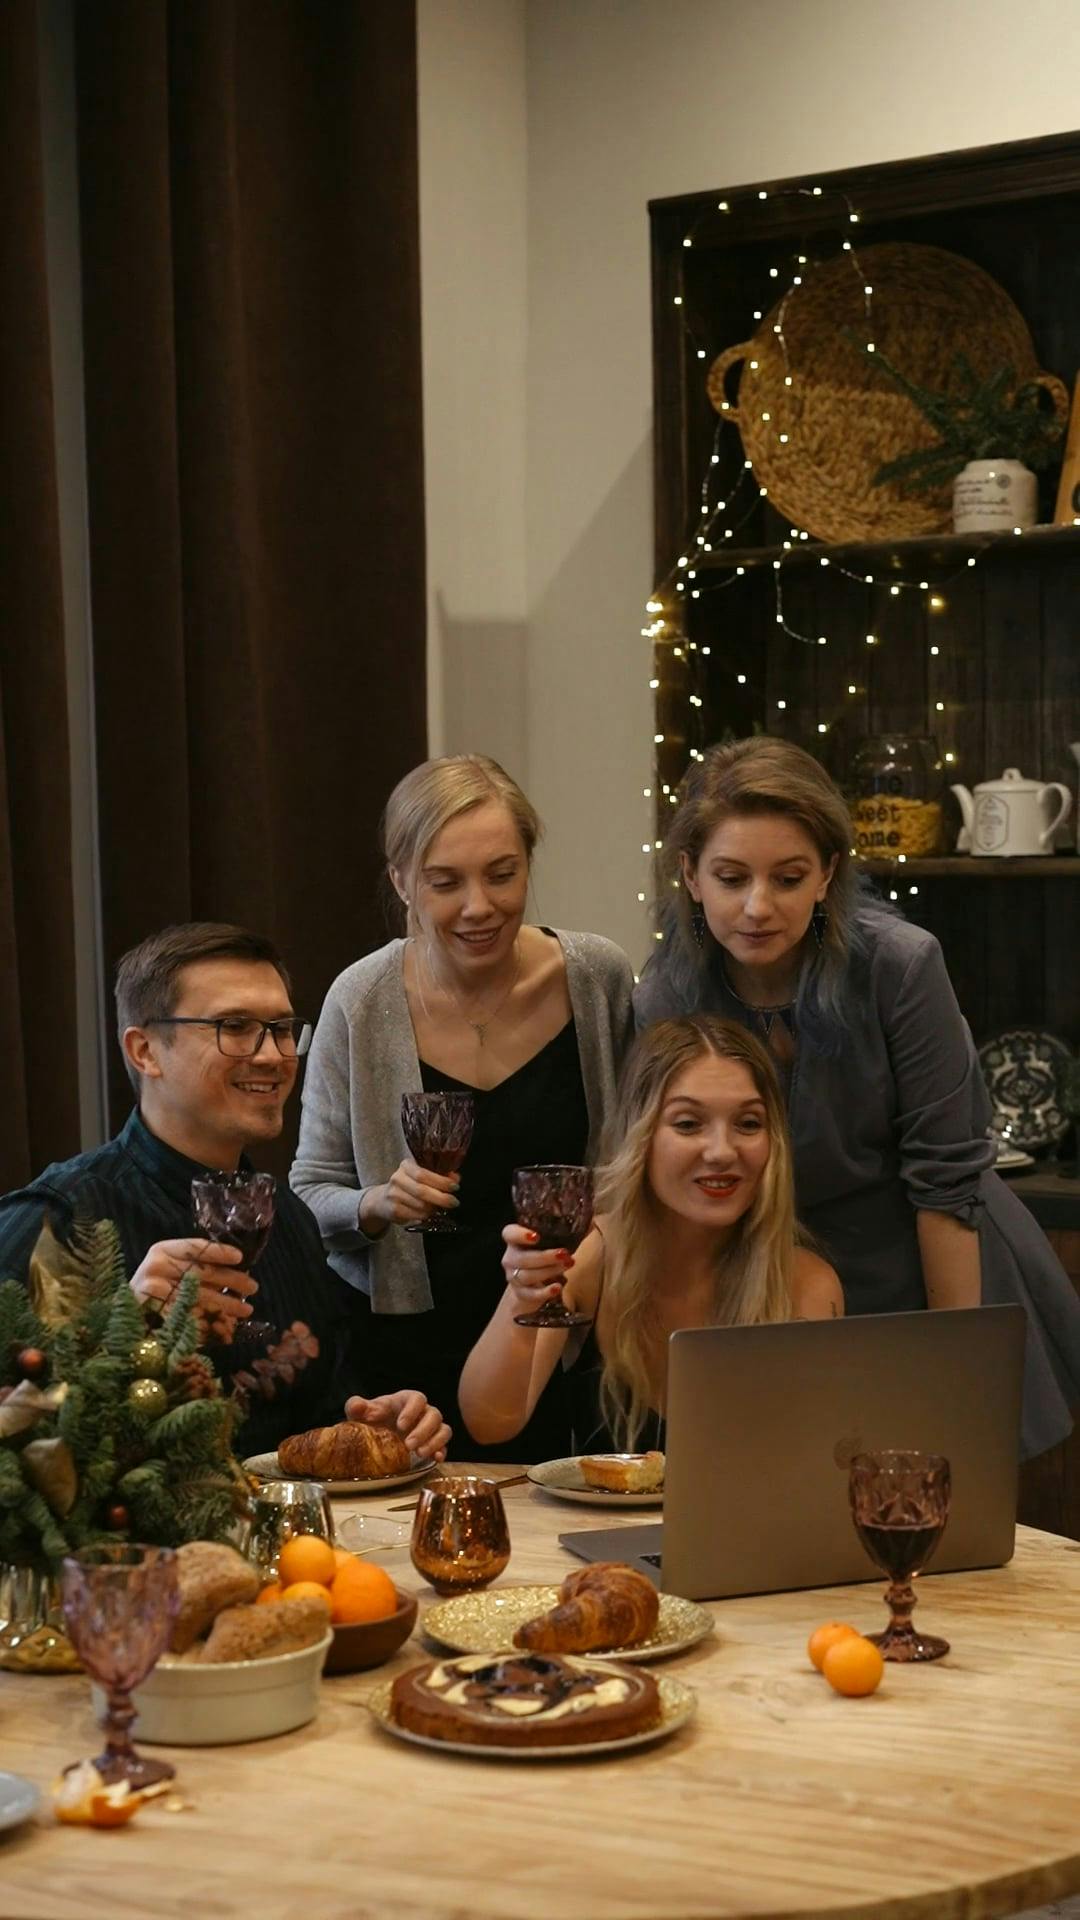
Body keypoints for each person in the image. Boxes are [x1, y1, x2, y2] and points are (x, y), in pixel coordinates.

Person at [632, 736, 1080, 1460]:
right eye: (731, 876)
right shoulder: (666, 993)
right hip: (781, 1277)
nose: (757, 906)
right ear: (690, 874)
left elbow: (944, 1188)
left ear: (828, 874)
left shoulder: (901, 966)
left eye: (788, 877)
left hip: (931, 1255)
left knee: (944, 1497)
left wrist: (951, 1373)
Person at [290, 754, 635, 1460]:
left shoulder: (597, 977)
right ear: (402, 882)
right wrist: (378, 1202)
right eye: (445, 883)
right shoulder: (360, 999)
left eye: (502, 874)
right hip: (410, 1367)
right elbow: (307, 1191)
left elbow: (636, 1163)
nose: (479, 906)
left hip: (564, 1342)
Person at [0, 923, 450, 1463]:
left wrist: (371, 1423)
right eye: (234, 1027)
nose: (273, 1056)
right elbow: (21, 1462)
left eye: (282, 1028)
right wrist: (124, 1333)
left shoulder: (291, 1219)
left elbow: (321, 1407)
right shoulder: (59, 1219)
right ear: (145, 1051)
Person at [458, 1015, 841, 1450]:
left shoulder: (807, 1283)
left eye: (748, 1124)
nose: (721, 1151)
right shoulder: (591, 1255)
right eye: (688, 1124)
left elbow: (813, 1463)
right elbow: (489, 1422)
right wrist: (522, 1299)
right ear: (640, 1135)